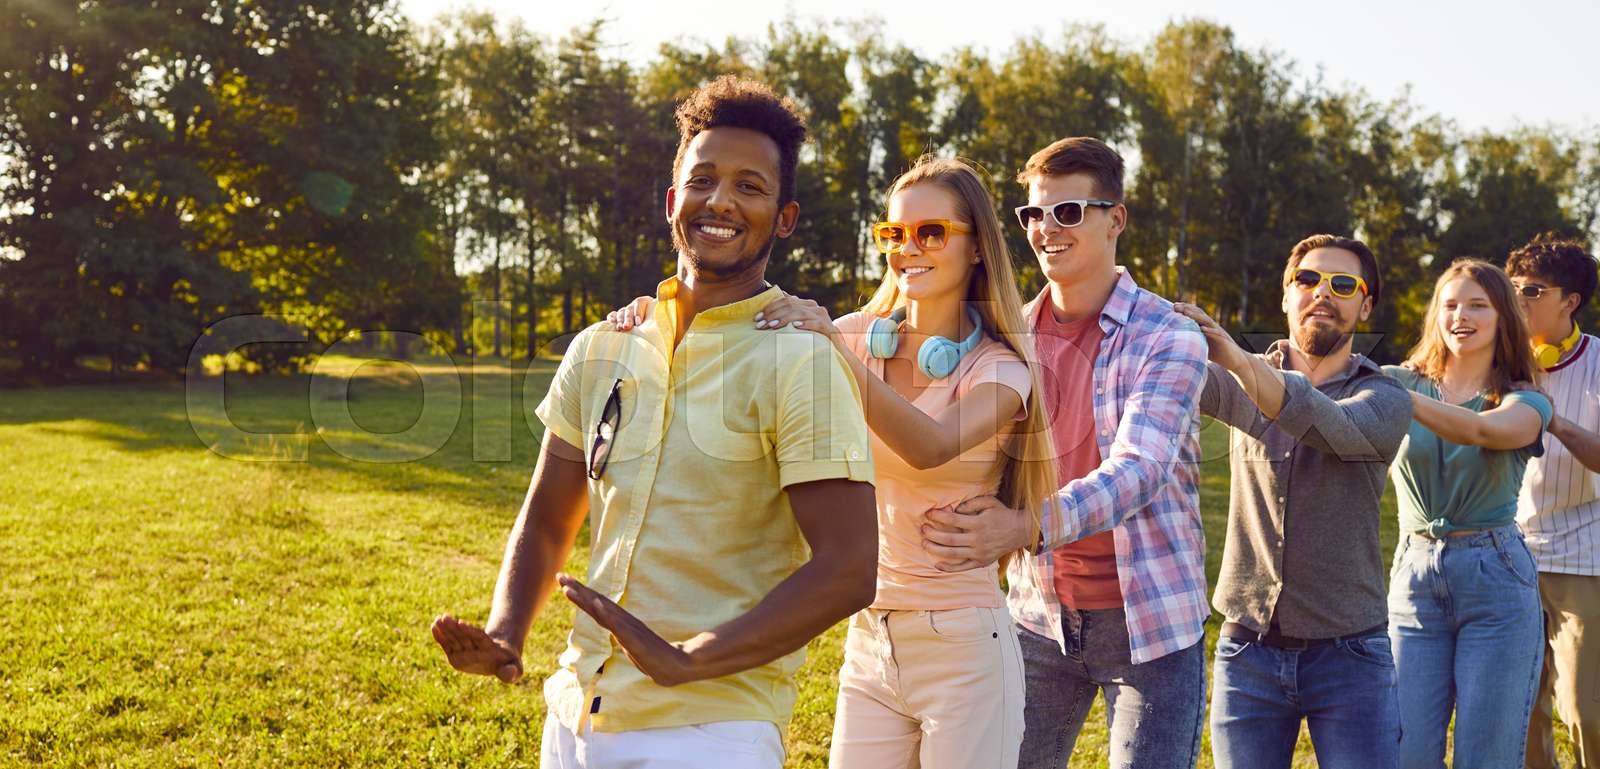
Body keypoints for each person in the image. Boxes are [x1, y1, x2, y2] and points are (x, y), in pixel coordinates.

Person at [428, 76, 879, 769]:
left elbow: (849, 569)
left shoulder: (801, 362)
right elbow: (550, 516)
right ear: (674, 202)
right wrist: (508, 631)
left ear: (784, 217)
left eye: (750, 186)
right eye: (703, 179)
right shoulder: (603, 345)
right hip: (576, 715)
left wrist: (690, 658)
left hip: (709, 731)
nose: (721, 200)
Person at [610, 154, 1060, 769]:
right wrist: (656, 315)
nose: (909, 249)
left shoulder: (1002, 368)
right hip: (869, 637)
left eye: (932, 232)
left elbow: (927, 447)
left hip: (964, 645)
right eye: (895, 234)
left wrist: (837, 353)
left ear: (977, 246)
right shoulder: (850, 334)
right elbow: (734, 327)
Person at [917, 137, 1210, 769]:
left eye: (1068, 212)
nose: (1046, 229)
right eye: (1033, 215)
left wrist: (1024, 526)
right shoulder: (1006, 337)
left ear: (1116, 220)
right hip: (1036, 617)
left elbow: (1141, 470)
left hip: (1151, 625)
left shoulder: (1170, 336)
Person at [1174, 235, 1411, 769]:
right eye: (1307, 279)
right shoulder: (1238, 377)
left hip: (1352, 656)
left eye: (1343, 284)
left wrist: (1238, 361)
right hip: (1246, 651)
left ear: (1365, 304)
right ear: (1285, 295)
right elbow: (1173, 375)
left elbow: (1337, 428)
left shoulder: (1386, 396)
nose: (1322, 293)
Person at [1383, 258, 1554, 769]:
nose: (1462, 315)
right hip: (1413, 579)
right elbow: (1320, 394)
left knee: (1487, 756)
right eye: (1450, 304)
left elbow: (1484, 432)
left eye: (1478, 305)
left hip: (1496, 581)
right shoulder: (1396, 381)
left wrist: (1398, 398)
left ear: (1503, 316)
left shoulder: (1527, 399)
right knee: (1404, 752)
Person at [1505, 234, 1600, 769]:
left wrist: (1552, 418)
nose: (1518, 300)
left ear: (1570, 302)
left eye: (1533, 290)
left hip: (1583, 557)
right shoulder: (1493, 361)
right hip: (1508, 555)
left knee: (1585, 711)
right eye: (1512, 288)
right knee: (1522, 712)